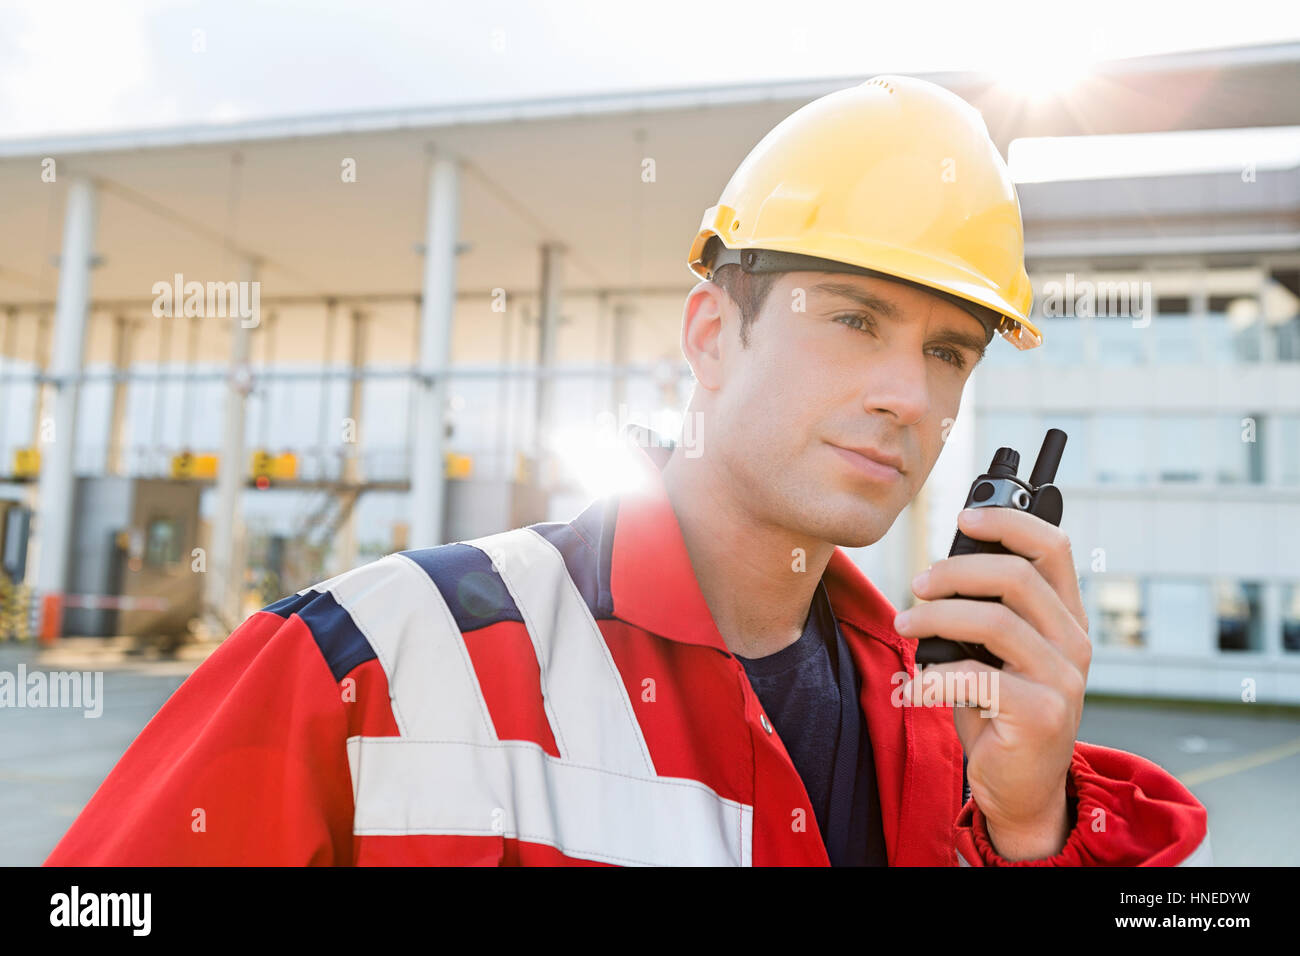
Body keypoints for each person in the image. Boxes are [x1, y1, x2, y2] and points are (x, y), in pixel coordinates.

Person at [45, 74, 1208, 867]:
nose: (908, 393)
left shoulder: (946, 733)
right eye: (853, 320)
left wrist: (1029, 827)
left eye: (946, 350)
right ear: (710, 336)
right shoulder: (369, 660)